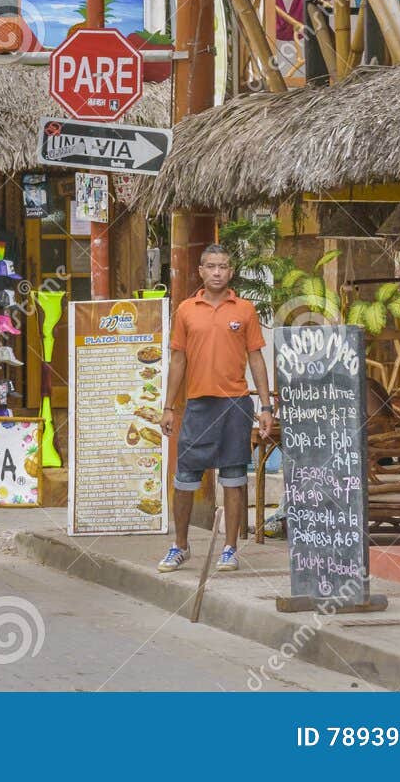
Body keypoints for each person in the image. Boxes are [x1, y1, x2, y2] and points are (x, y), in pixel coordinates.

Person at [159, 244, 273, 574]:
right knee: (185, 478)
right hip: (197, 405)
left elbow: (256, 359)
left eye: (223, 266)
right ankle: (180, 546)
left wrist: (265, 406)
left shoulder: (245, 310)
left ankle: (230, 548)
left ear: (231, 271)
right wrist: (168, 406)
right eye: (211, 266)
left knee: (234, 478)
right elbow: (178, 359)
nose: (217, 272)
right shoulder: (185, 310)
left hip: (235, 404)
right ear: (201, 271)